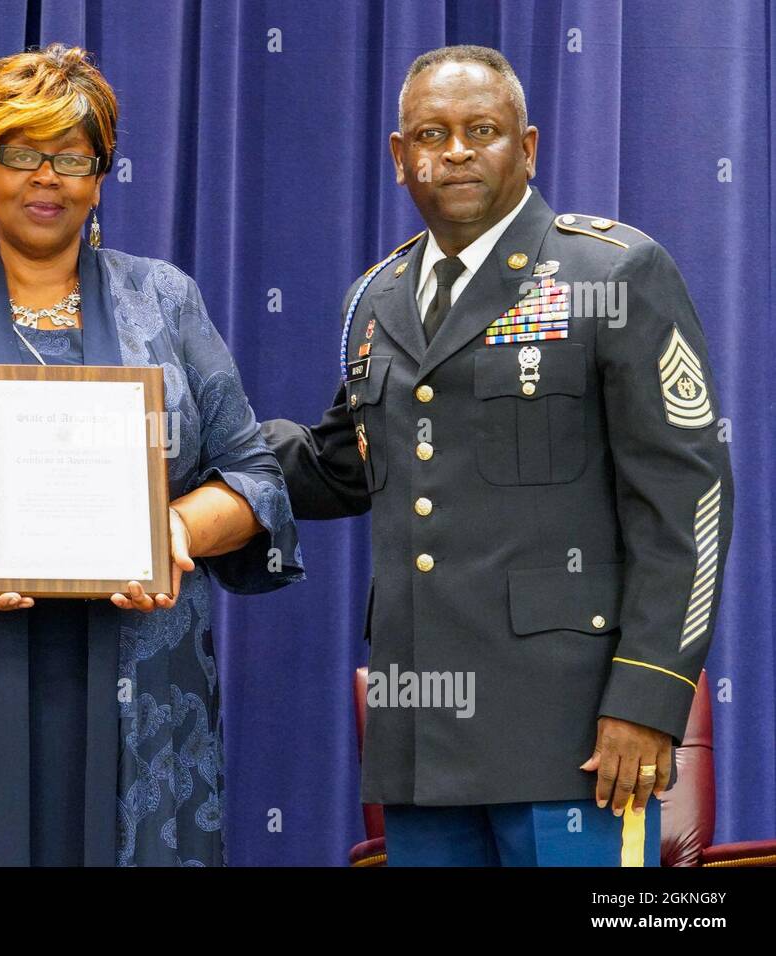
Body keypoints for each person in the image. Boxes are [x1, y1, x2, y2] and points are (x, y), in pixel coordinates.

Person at [0, 43, 303, 867]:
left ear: (101, 174)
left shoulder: (166, 300)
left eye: (72, 157)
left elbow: (254, 477)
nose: (47, 177)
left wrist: (173, 529)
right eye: (20, 153)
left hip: (143, 686)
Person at [262, 45, 733, 866]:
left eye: (482, 129)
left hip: (577, 740)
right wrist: (193, 443)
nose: (455, 151)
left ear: (529, 146)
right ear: (399, 157)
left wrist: (650, 697)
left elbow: (686, 503)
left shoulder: (611, 273)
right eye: (431, 134)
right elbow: (343, 466)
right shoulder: (375, 297)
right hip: (422, 743)